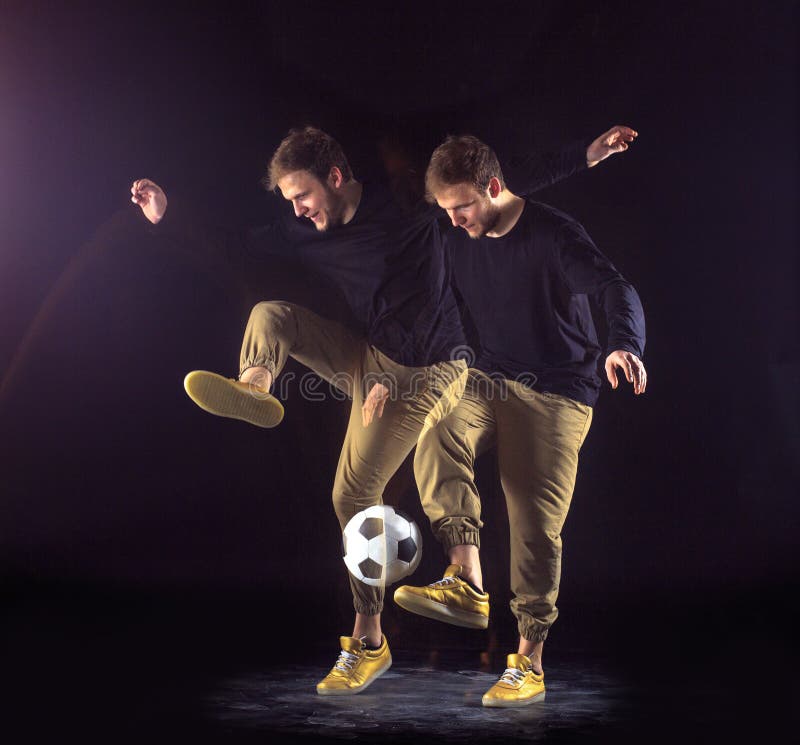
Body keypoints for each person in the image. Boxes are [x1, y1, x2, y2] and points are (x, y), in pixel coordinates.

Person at [130, 124, 636, 696]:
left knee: (359, 493)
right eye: (290, 202)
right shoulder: (305, 232)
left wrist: (587, 152)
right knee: (271, 315)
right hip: (372, 357)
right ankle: (254, 385)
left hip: (430, 369)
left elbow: (507, 177)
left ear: (336, 178)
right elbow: (240, 243)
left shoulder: (410, 208)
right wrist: (170, 216)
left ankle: (397, 640)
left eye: (304, 196)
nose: (299, 211)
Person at [394, 134, 646, 706]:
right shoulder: (457, 231)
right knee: (436, 425)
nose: (455, 222)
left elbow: (615, 287)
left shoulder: (554, 234)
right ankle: (466, 579)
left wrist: (621, 345)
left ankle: (528, 662)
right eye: (446, 211)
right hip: (493, 376)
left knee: (533, 521)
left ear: (493, 188)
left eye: (462, 208)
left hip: (560, 391)